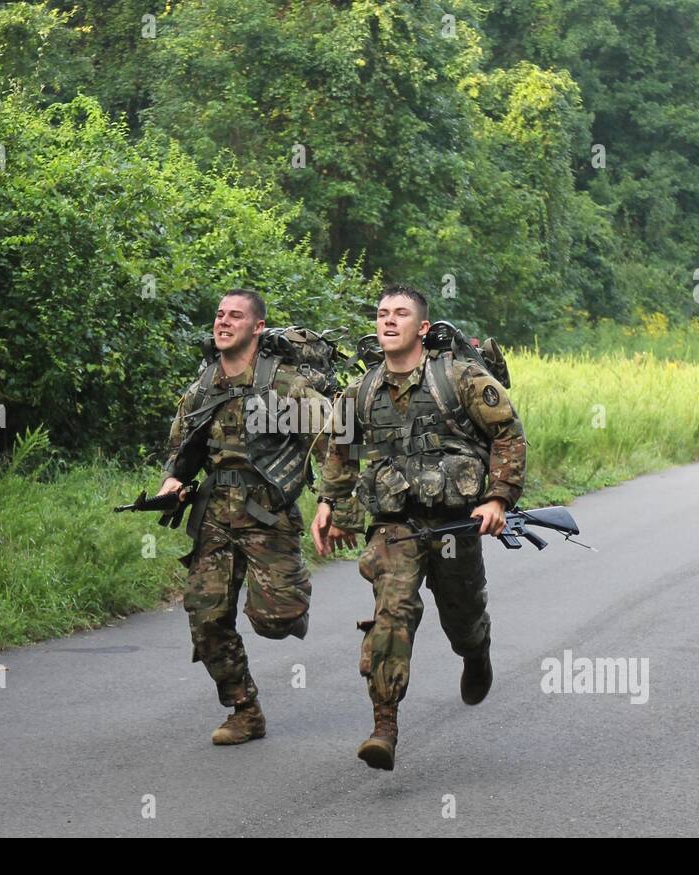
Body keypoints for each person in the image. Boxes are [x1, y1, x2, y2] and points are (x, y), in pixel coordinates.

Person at [310, 284, 527, 770]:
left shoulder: (459, 378)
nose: (388, 321)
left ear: (422, 328)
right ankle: (383, 724)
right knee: (392, 612)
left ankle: (476, 652)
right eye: (382, 313)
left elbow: (507, 435)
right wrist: (330, 506)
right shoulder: (360, 392)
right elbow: (339, 454)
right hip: (396, 526)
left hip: (454, 524)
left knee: (462, 617)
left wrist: (497, 498)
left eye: (400, 314)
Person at [159, 289, 332, 745]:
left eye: (235, 316)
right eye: (219, 314)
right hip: (214, 513)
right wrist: (171, 483)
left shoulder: (285, 385)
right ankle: (243, 709)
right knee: (206, 614)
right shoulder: (203, 385)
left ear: (257, 328)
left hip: (267, 512)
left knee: (276, 618)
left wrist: (334, 501)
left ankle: (288, 598)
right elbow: (180, 447)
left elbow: (334, 440)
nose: (223, 322)